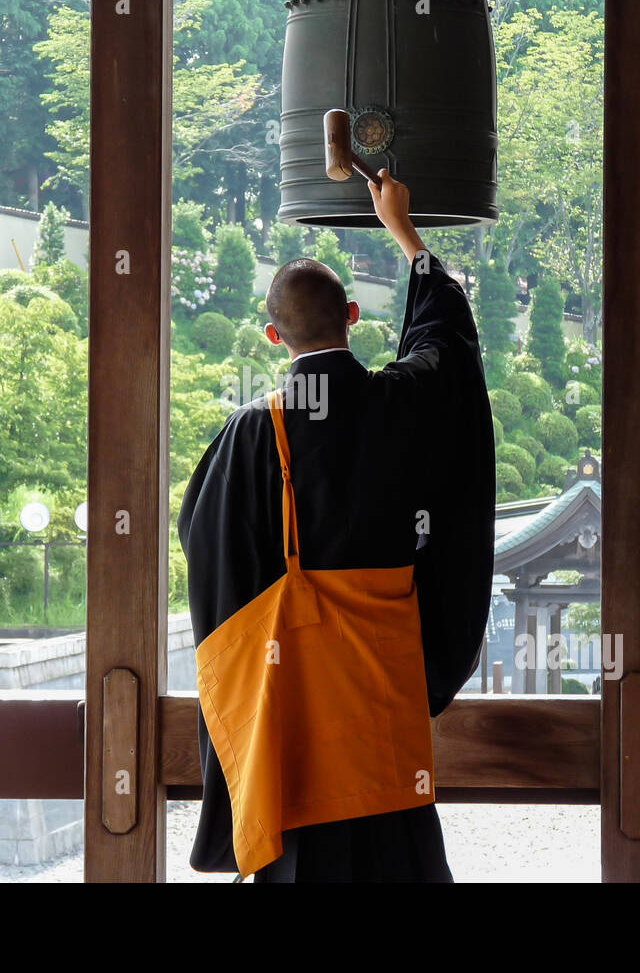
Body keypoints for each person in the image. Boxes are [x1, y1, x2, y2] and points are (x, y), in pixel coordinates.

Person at [178, 171, 496, 882]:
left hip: (298, 723)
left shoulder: (253, 433)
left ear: (271, 334)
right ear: (352, 314)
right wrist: (405, 232)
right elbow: (450, 352)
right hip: (384, 714)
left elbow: (207, 545)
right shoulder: (402, 402)